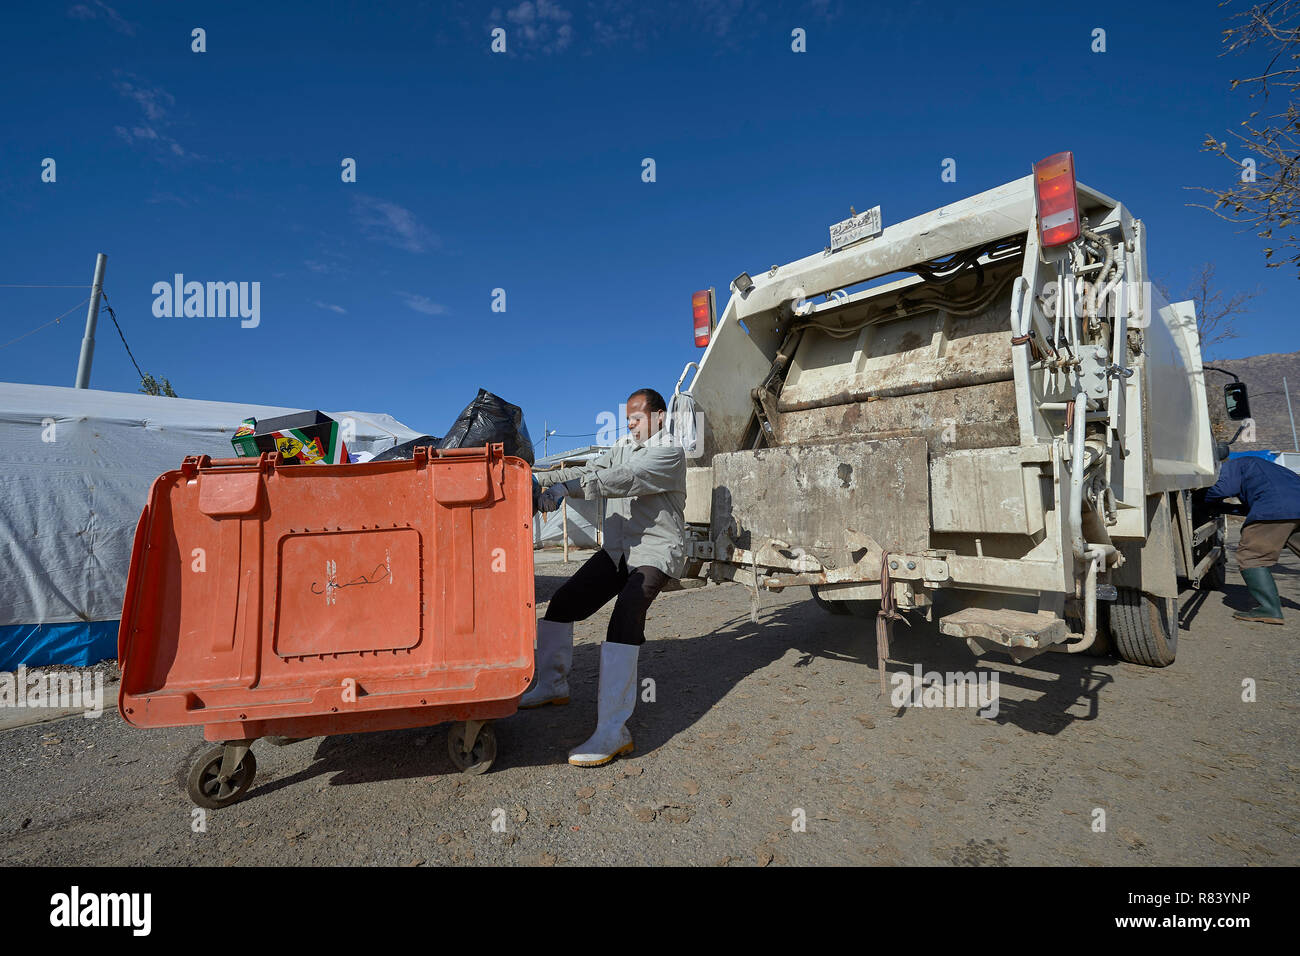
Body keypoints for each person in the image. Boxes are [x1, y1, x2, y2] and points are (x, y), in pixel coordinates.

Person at [527, 388, 687, 766]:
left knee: (624, 618)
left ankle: (614, 731)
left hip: (653, 553)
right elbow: (590, 468)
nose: (630, 424)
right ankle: (552, 684)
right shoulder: (623, 447)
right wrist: (537, 477)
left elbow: (624, 478)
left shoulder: (669, 452)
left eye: (637, 418)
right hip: (618, 552)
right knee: (563, 603)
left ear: (659, 417)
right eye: (627, 418)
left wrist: (566, 490)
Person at [1204, 452, 1300, 625]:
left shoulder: (1235, 465)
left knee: (1252, 556)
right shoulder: (1270, 468)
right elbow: (1254, 504)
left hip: (1276, 509)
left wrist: (1202, 499)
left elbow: (1222, 489)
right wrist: (1224, 508)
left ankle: (1269, 609)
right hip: (1294, 506)